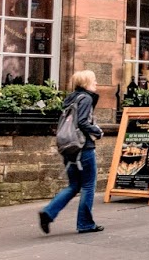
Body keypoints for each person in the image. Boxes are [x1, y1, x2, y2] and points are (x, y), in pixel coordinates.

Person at [38, 71, 104, 236]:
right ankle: (85, 224)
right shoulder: (86, 98)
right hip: (83, 147)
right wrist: (97, 131)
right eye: (94, 81)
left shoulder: (70, 98)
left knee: (74, 185)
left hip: (68, 147)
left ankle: (49, 212)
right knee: (88, 185)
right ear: (86, 83)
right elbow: (82, 122)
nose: (96, 83)